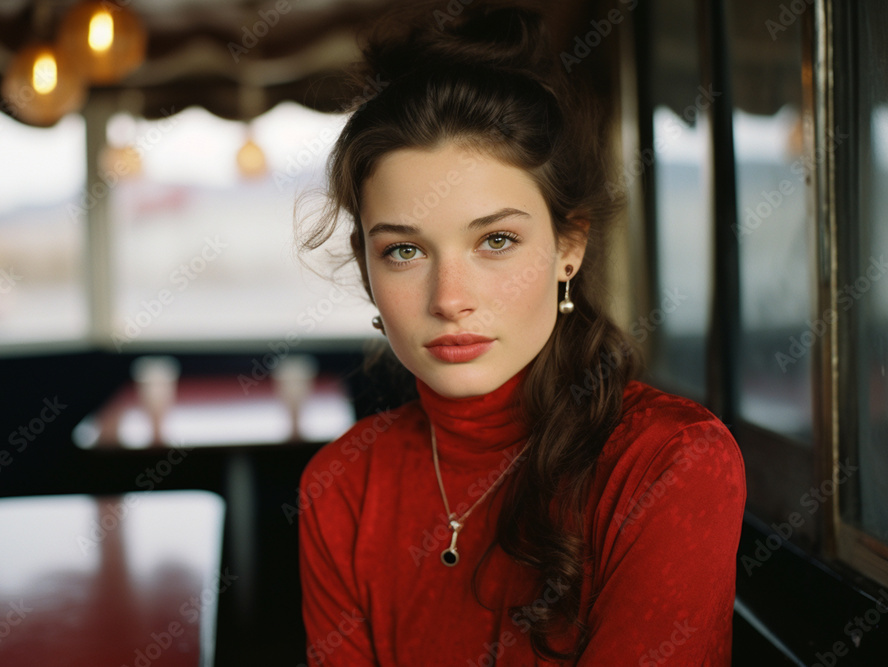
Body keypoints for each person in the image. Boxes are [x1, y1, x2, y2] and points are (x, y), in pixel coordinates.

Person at [295, 3, 746, 665]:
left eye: (496, 240)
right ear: (366, 265)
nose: (450, 300)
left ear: (570, 246)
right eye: (404, 252)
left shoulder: (669, 463)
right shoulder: (340, 487)